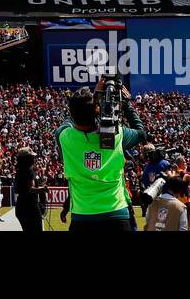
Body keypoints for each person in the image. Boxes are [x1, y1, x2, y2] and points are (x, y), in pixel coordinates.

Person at [56, 78, 146, 232]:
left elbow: (72, 117)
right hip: (116, 214)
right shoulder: (117, 135)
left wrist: (94, 98)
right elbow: (141, 132)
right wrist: (126, 104)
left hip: (82, 216)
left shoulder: (64, 137)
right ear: (96, 110)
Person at [14, 148, 43, 233]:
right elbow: (31, 189)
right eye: (32, 157)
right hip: (30, 208)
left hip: (20, 206)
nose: (34, 159)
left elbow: (17, 190)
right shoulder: (29, 171)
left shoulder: (19, 171)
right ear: (27, 159)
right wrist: (43, 189)